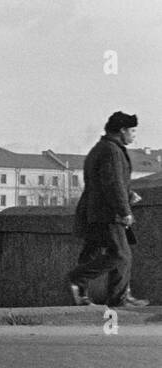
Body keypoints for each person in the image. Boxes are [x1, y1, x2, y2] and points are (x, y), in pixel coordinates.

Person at [68, 112, 149, 307]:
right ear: (122, 131)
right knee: (121, 254)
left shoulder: (101, 148)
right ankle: (78, 280)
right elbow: (113, 184)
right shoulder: (112, 151)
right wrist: (125, 210)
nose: (134, 135)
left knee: (94, 253)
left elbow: (105, 182)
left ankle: (98, 294)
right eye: (133, 131)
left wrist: (128, 195)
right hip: (108, 213)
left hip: (95, 211)